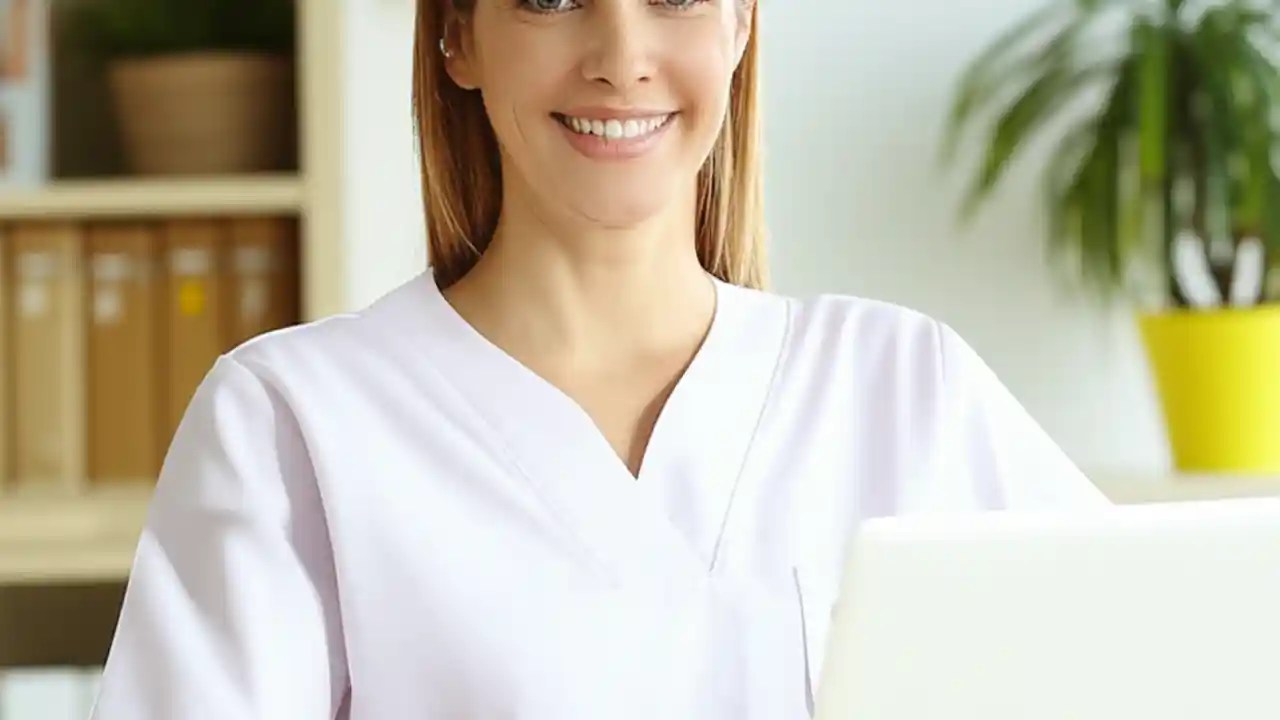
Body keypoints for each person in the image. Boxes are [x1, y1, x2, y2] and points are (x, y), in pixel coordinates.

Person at [89, 0, 1109, 718]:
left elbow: (1165, 662)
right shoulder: (293, 425)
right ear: (456, 34)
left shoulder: (901, 386)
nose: (619, 55)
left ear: (740, 23)